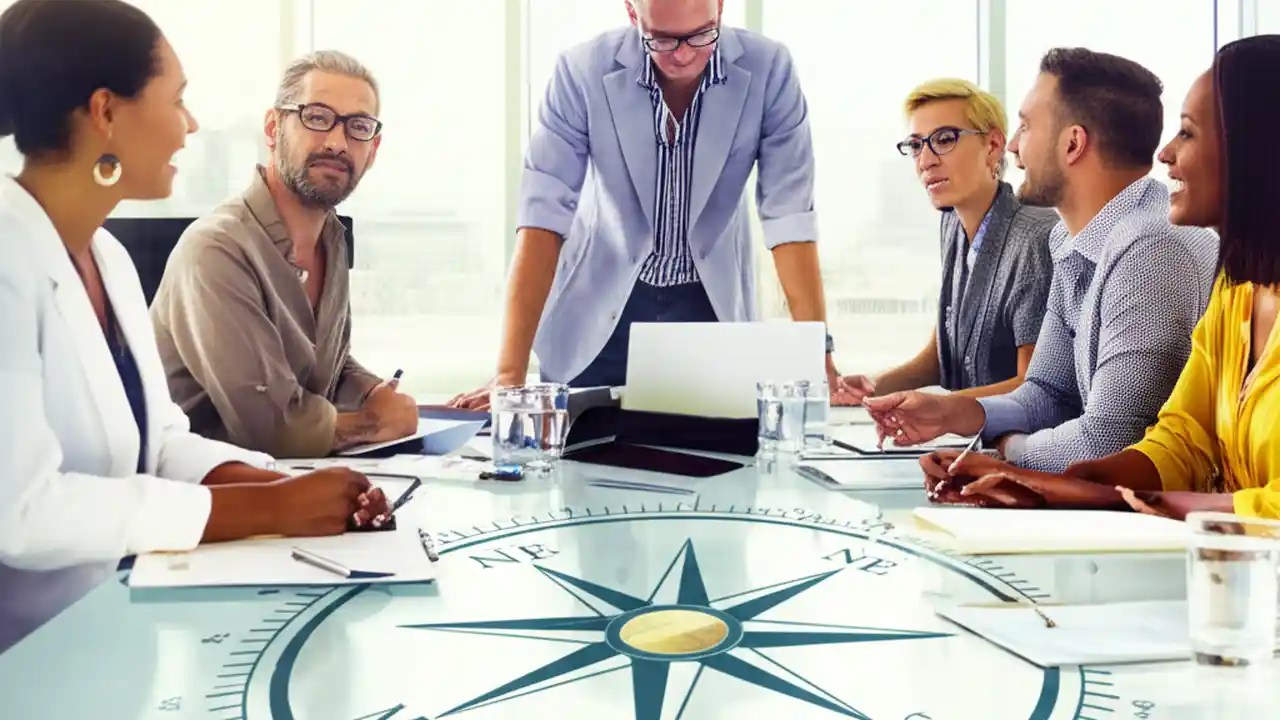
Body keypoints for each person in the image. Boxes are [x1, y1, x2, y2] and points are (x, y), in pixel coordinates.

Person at [0, 0, 388, 653]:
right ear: (106, 113)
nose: (190, 125)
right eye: (176, 99)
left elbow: (162, 443)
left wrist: (288, 487)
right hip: (29, 656)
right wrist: (260, 512)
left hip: (116, 635)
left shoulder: (108, 258)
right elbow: (22, 513)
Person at [922, 36, 1280, 521]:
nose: (1166, 154)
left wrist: (1014, 454)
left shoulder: (1153, 248)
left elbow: (1116, 433)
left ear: (1252, 148)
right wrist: (1040, 483)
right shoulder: (1236, 291)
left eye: (1188, 134)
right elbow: (1180, 441)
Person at [450, 0, 854, 408]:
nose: (683, 54)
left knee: (716, 460)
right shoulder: (581, 72)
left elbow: (790, 217)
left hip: (709, 308)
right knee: (580, 458)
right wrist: (508, 374)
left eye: (702, 34)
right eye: (661, 39)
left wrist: (817, 357)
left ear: (720, 7)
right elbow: (543, 219)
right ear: (631, 13)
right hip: (598, 314)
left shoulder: (770, 70)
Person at [864, 47, 1219, 473]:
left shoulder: (1151, 250)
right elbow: (1048, 393)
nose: (1013, 146)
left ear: (1073, 143)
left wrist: (1006, 452)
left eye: (1026, 127)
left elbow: (1110, 440)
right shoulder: (1070, 242)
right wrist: (952, 414)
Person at [150, 51, 418, 457]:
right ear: (274, 128)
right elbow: (275, 431)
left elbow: (322, 366)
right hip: (210, 498)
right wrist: (374, 422)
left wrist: (375, 392)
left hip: (297, 486)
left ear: (374, 148)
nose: (337, 142)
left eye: (358, 127)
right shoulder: (216, 250)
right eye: (317, 117)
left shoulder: (332, 237)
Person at [840, 79, 1055, 403]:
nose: (925, 160)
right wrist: (872, 386)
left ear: (993, 146)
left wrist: (940, 409)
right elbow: (944, 353)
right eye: (916, 145)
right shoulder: (952, 223)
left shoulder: (1035, 238)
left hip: (1019, 447)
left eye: (944, 139)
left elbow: (1033, 387)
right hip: (962, 439)